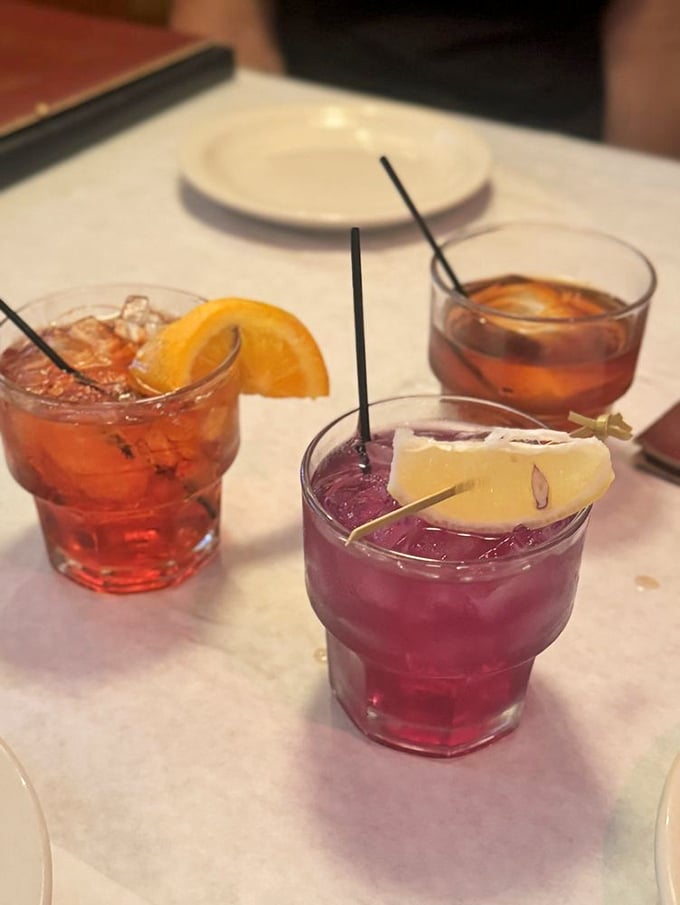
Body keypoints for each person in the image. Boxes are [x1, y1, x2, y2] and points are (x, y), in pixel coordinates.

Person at [169, 0, 680, 159]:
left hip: (550, 142)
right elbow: (224, 13)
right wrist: (247, 158)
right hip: (310, 126)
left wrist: (630, 194)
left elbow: (656, 29)